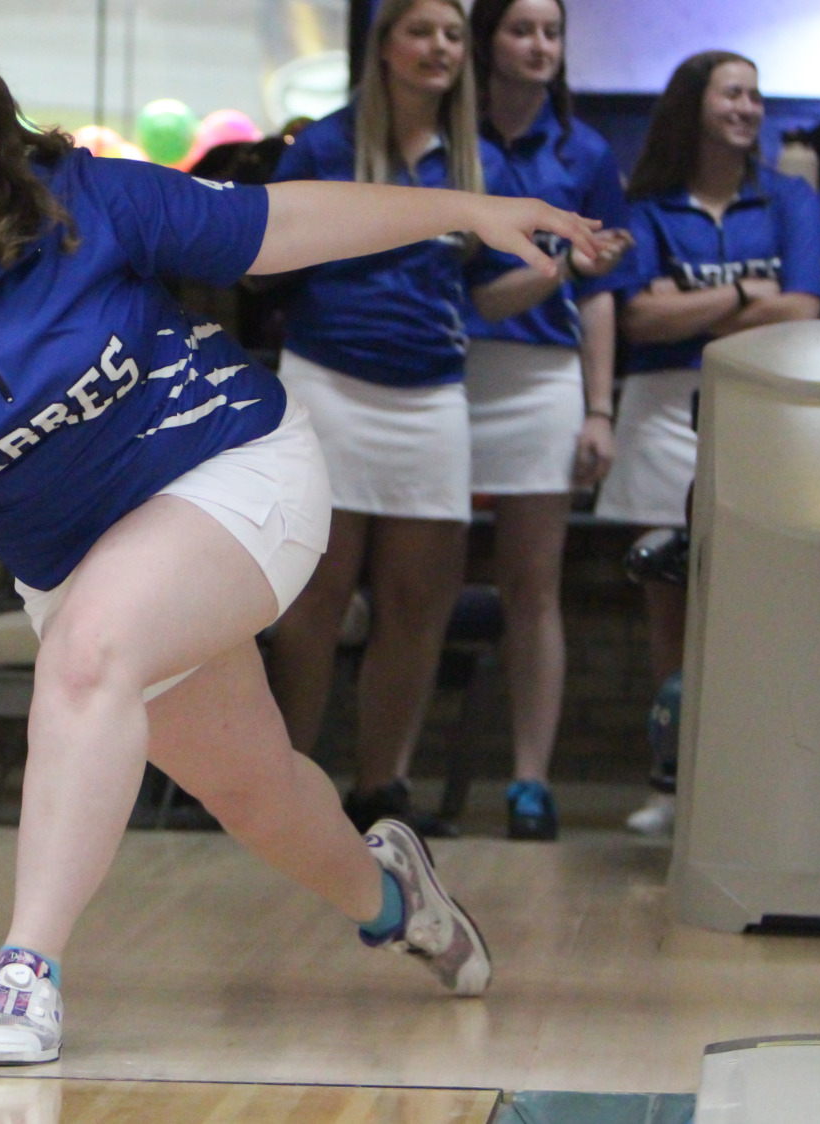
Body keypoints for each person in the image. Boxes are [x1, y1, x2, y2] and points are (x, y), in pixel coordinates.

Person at [0, 44, 598, 1065]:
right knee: (256, 793)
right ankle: (395, 897)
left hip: (237, 475)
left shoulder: (88, 205)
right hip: (86, 569)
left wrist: (465, 209)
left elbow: (278, 226)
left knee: (88, 653)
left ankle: (25, 970)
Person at [264, 0, 623, 838]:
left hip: (431, 396)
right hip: (327, 384)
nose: (439, 48)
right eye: (421, 31)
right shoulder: (324, 145)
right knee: (317, 597)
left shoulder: (477, 162)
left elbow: (487, 299)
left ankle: (379, 789)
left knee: (416, 604)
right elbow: (260, 258)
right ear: (385, 46)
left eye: (453, 35)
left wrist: (564, 269)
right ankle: (282, 785)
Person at [596, 51, 820, 835]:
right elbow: (638, 319)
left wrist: (692, 305)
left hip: (770, 409)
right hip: (665, 413)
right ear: (692, 106)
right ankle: (675, 785)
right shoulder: (646, 204)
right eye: (733, 93)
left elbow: (803, 307)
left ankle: (760, 784)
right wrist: (742, 291)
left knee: (764, 608)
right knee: (672, 610)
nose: (748, 108)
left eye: (755, 96)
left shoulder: (791, 196)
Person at [462, 0, 633, 839]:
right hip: (440, 372)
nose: (539, 45)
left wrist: (600, 409)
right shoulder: (449, 140)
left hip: (541, 381)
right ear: (488, 40)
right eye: (521, 29)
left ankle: (530, 782)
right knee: (415, 589)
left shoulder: (585, 152)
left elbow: (599, 294)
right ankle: (390, 781)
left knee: (533, 588)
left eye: (552, 32)